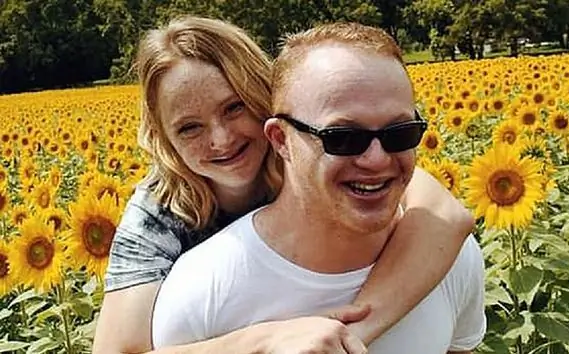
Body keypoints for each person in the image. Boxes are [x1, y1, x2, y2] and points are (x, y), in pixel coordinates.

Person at [92, 17, 475, 354]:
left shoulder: (322, 158)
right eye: (189, 128)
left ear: (264, 101)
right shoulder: (159, 216)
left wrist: (353, 332)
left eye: (234, 107)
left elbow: (445, 216)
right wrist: (262, 342)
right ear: (165, 140)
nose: (221, 139)